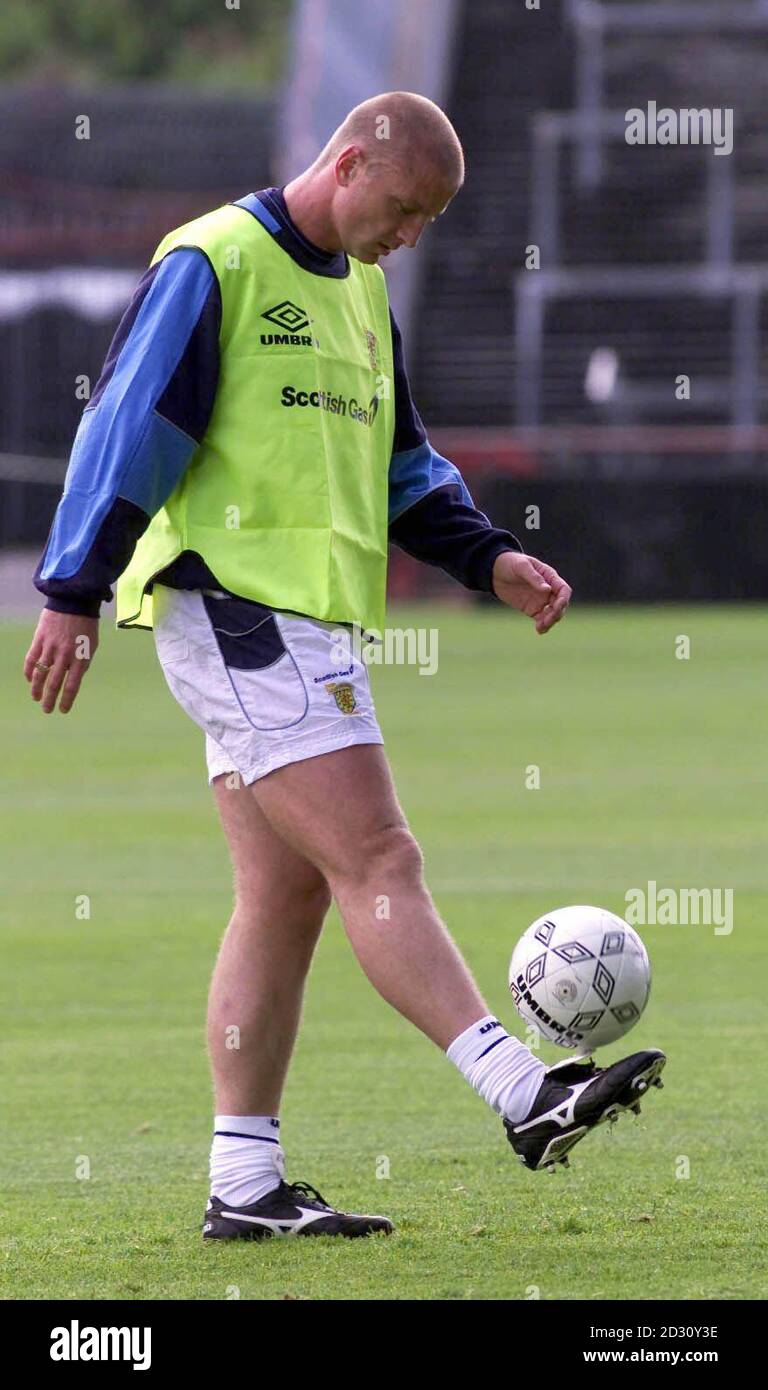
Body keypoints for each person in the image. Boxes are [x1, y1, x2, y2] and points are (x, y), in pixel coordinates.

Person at [24, 92, 665, 1242]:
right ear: (351, 160)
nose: (407, 235)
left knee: (284, 897)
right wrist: (72, 587)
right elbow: (127, 425)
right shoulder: (215, 260)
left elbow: (401, 465)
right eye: (405, 209)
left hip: (302, 623)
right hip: (234, 610)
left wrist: (491, 557)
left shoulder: (365, 293)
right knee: (380, 851)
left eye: (426, 223)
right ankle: (526, 1093)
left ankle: (244, 1185)